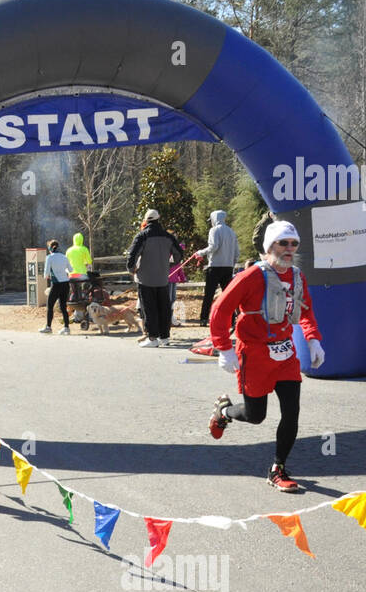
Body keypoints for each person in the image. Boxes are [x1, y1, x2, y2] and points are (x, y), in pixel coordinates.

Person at [207, 220, 326, 491]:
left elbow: (305, 311)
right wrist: (224, 347)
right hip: (254, 353)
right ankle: (224, 411)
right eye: (283, 243)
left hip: (285, 352)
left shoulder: (297, 276)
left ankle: (278, 468)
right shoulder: (252, 276)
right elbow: (220, 310)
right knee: (255, 415)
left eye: (293, 243)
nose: (289, 248)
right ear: (269, 246)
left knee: (291, 412)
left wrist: (313, 339)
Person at [126, 209, 182, 347]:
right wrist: (168, 264)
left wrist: (132, 269)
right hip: (163, 278)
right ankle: (165, 337)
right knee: (164, 307)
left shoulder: (142, 236)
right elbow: (179, 254)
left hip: (145, 278)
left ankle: (152, 338)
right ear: (158, 219)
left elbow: (132, 256)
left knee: (149, 308)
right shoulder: (168, 236)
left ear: (146, 220)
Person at [196, 210, 240, 325]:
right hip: (228, 267)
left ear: (214, 219)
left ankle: (204, 319)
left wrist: (200, 253)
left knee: (209, 294)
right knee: (227, 295)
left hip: (215, 266)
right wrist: (232, 263)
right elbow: (237, 252)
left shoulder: (214, 230)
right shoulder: (231, 232)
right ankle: (231, 320)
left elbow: (213, 246)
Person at [40, 239, 72, 334]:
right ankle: (66, 328)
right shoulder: (64, 257)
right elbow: (70, 270)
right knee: (63, 307)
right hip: (65, 284)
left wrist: (48, 275)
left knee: (50, 306)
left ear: (49, 248)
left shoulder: (49, 257)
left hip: (56, 284)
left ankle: (48, 327)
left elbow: (46, 273)